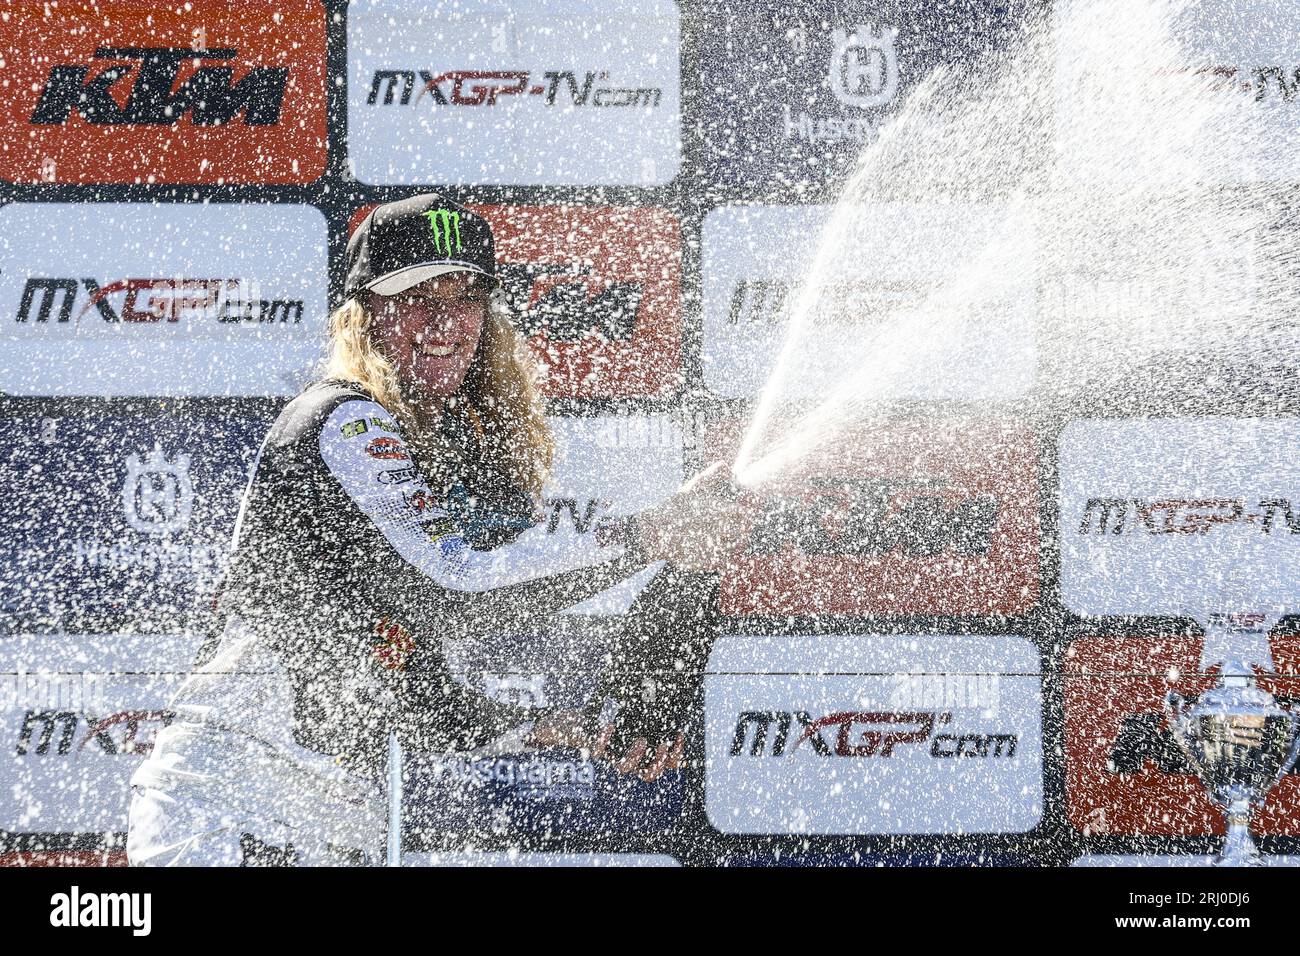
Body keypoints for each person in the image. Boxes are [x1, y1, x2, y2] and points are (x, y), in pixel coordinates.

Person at [125, 194, 743, 866]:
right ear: (364, 318)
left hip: (338, 820)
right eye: (417, 295)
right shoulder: (340, 421)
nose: (445, 321)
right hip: (228, 802)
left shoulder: (450, 453)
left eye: (467, 295)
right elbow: (451, 591)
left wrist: (547, 724)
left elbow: (413, 683)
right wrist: (651, 534)